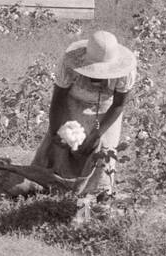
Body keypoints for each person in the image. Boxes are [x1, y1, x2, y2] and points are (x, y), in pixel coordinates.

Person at [30, 29, 137, 196]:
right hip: (73, 105)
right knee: (60, 152)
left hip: (107, 111)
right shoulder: (70, 66)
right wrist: (57, 131)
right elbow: (58, 100)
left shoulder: (125, 73)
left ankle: (91, 204)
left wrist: (97, 133)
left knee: (102, 158)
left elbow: (118, 104)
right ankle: (49, 197)